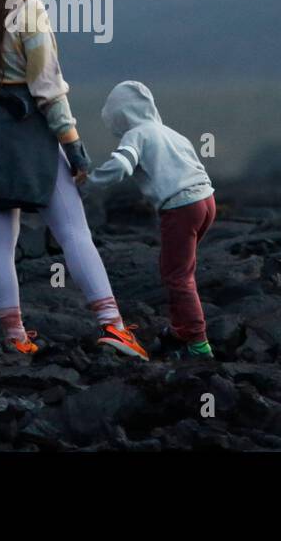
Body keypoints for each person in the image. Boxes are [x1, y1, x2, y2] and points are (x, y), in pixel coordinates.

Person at [0, 0, 148, 359]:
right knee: (73, 229)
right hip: (26, 134)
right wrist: (74, 148)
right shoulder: (30, 12)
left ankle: (15, 337)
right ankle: (113, 326)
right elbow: (48, 89)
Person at [85, 81, 217, 359]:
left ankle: (198, 342)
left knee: (178, 276)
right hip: (207, 201)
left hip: (180, 206)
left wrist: (88, 181)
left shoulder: (137, 135)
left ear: (120, 115)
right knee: (179, 268)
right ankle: (181, 327)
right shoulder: (171, 133)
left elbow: (122, 166)